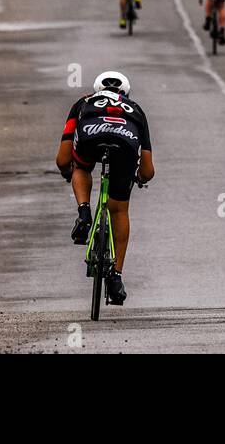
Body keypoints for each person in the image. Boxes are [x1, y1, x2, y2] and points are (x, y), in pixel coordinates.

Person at [55, 71, 155, 306]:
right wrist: (139, 177)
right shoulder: (135, 109)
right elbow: (148, 170)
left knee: (81, 165)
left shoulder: (83, 102)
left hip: (91, 137)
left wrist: (68, 171)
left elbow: (62, 158)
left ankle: (84, 213)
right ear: (126, 93)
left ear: (97, 90)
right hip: (125, 144)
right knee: (119, 209)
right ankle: (116, 277)